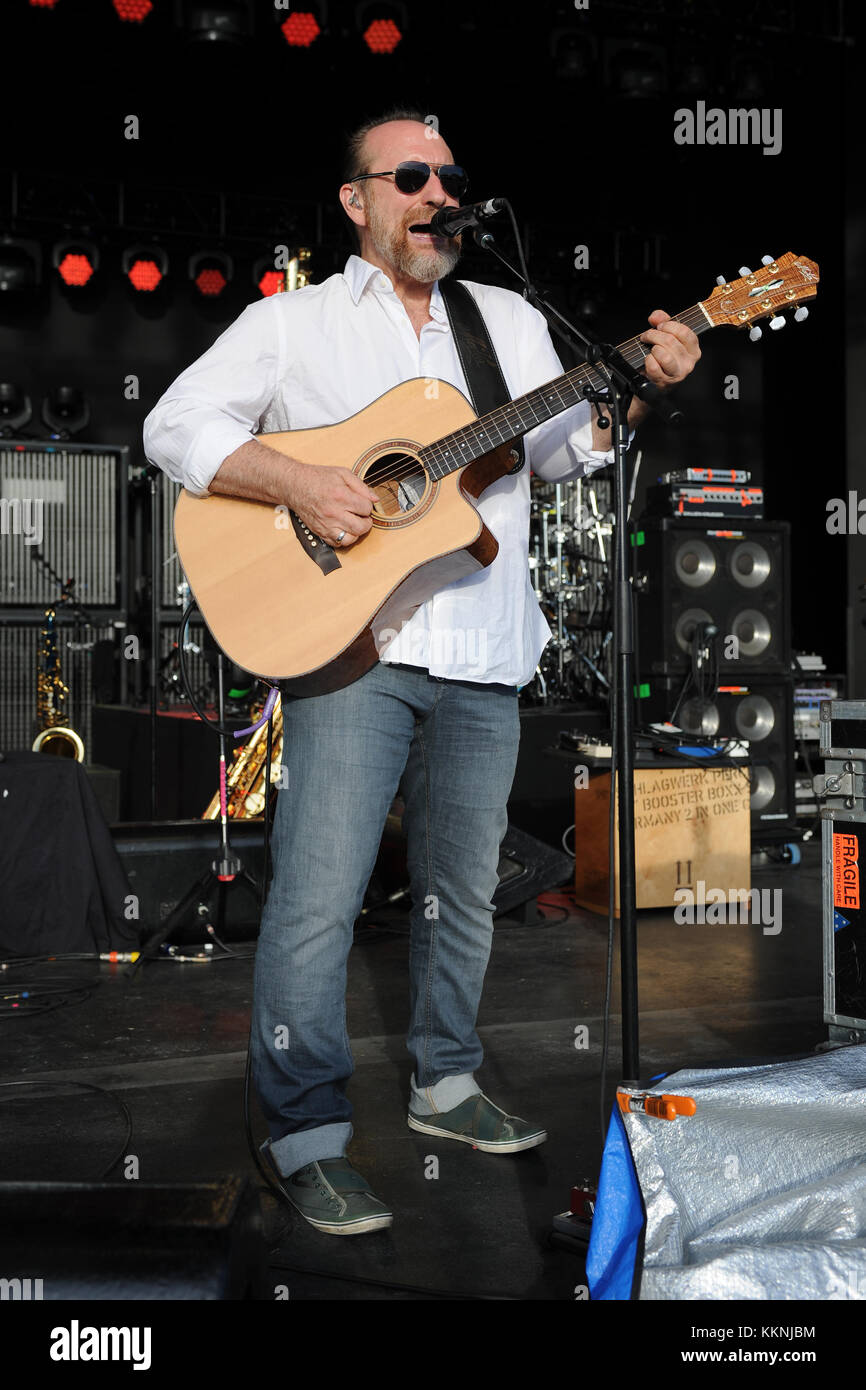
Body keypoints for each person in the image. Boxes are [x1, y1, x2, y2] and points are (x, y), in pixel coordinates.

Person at [143, 107, 700, 1237]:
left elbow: (570, 449)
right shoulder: (290, 322)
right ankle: (304, 1134)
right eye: (409, 175)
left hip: (483, 653)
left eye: (447, 175)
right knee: (314, 905)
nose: (435, 191)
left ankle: (445, 1080)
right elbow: (175, 423)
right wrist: (297, 485)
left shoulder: (503, 319)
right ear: (356, 201)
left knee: (466, 901)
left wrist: (643, 383)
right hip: (355, 651)